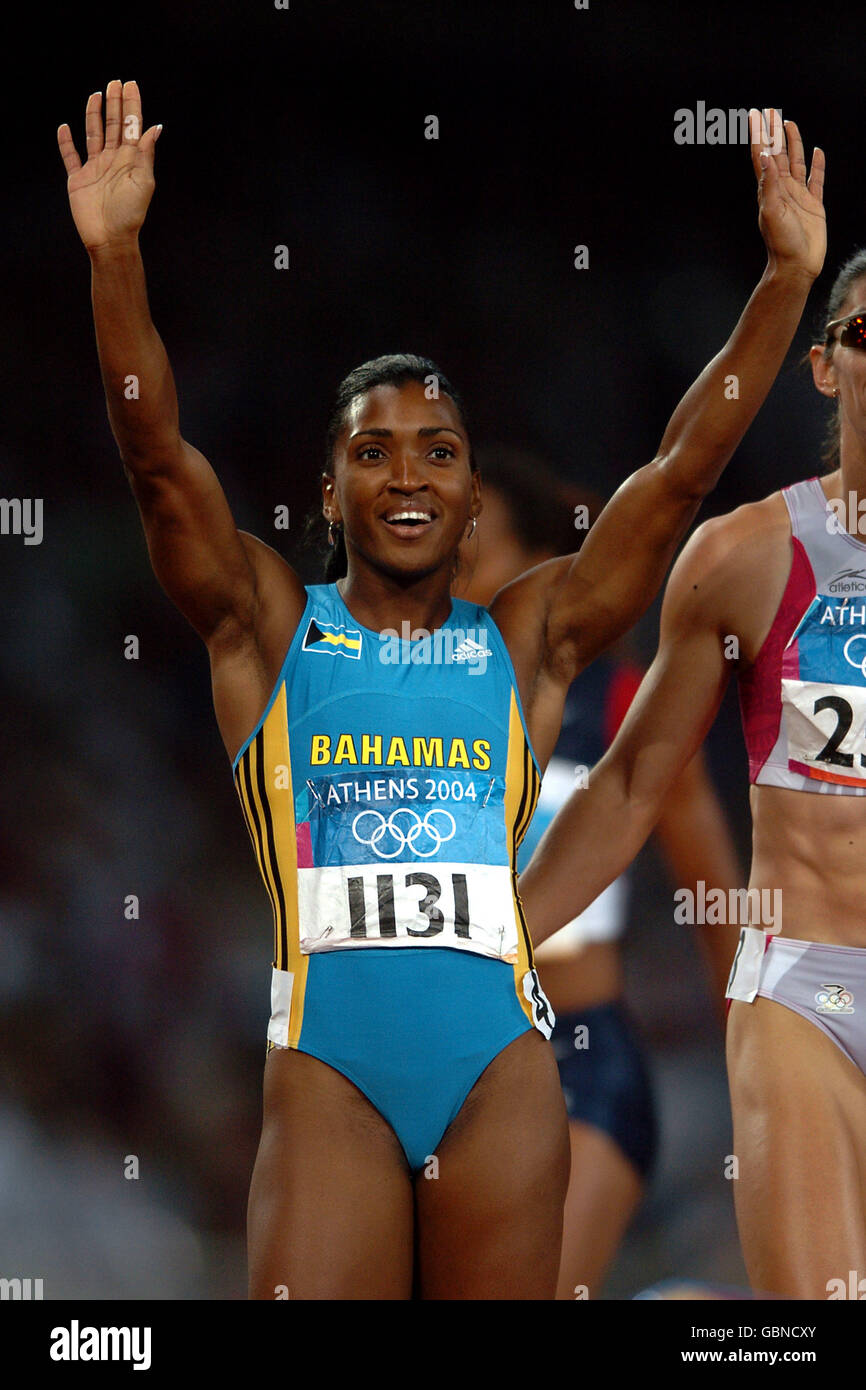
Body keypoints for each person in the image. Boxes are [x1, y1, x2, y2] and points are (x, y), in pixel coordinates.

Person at [57, 84, 824, 1299]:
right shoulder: (264, 628)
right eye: (372, 451)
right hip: (328, 1075)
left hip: (501, 1078)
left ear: (472, 502)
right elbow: (157, 460)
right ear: (325, 494)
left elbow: (676, 477)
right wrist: (115, 258)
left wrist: (783, 282)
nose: (406, 474)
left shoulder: (525, 638)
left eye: (438, 452)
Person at [517, 255, 866, 1302]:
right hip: (805, 986)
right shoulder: (744, 557)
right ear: (823, 366)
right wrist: (489, 938)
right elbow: (626, 789)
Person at [458, 448, 742, 1299]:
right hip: (441, 1071)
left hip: (576, 1062)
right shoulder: (390, 711)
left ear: (540, 568)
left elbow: (713, 893)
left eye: (472, 553)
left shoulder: (618, 706)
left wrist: (766, 1058)